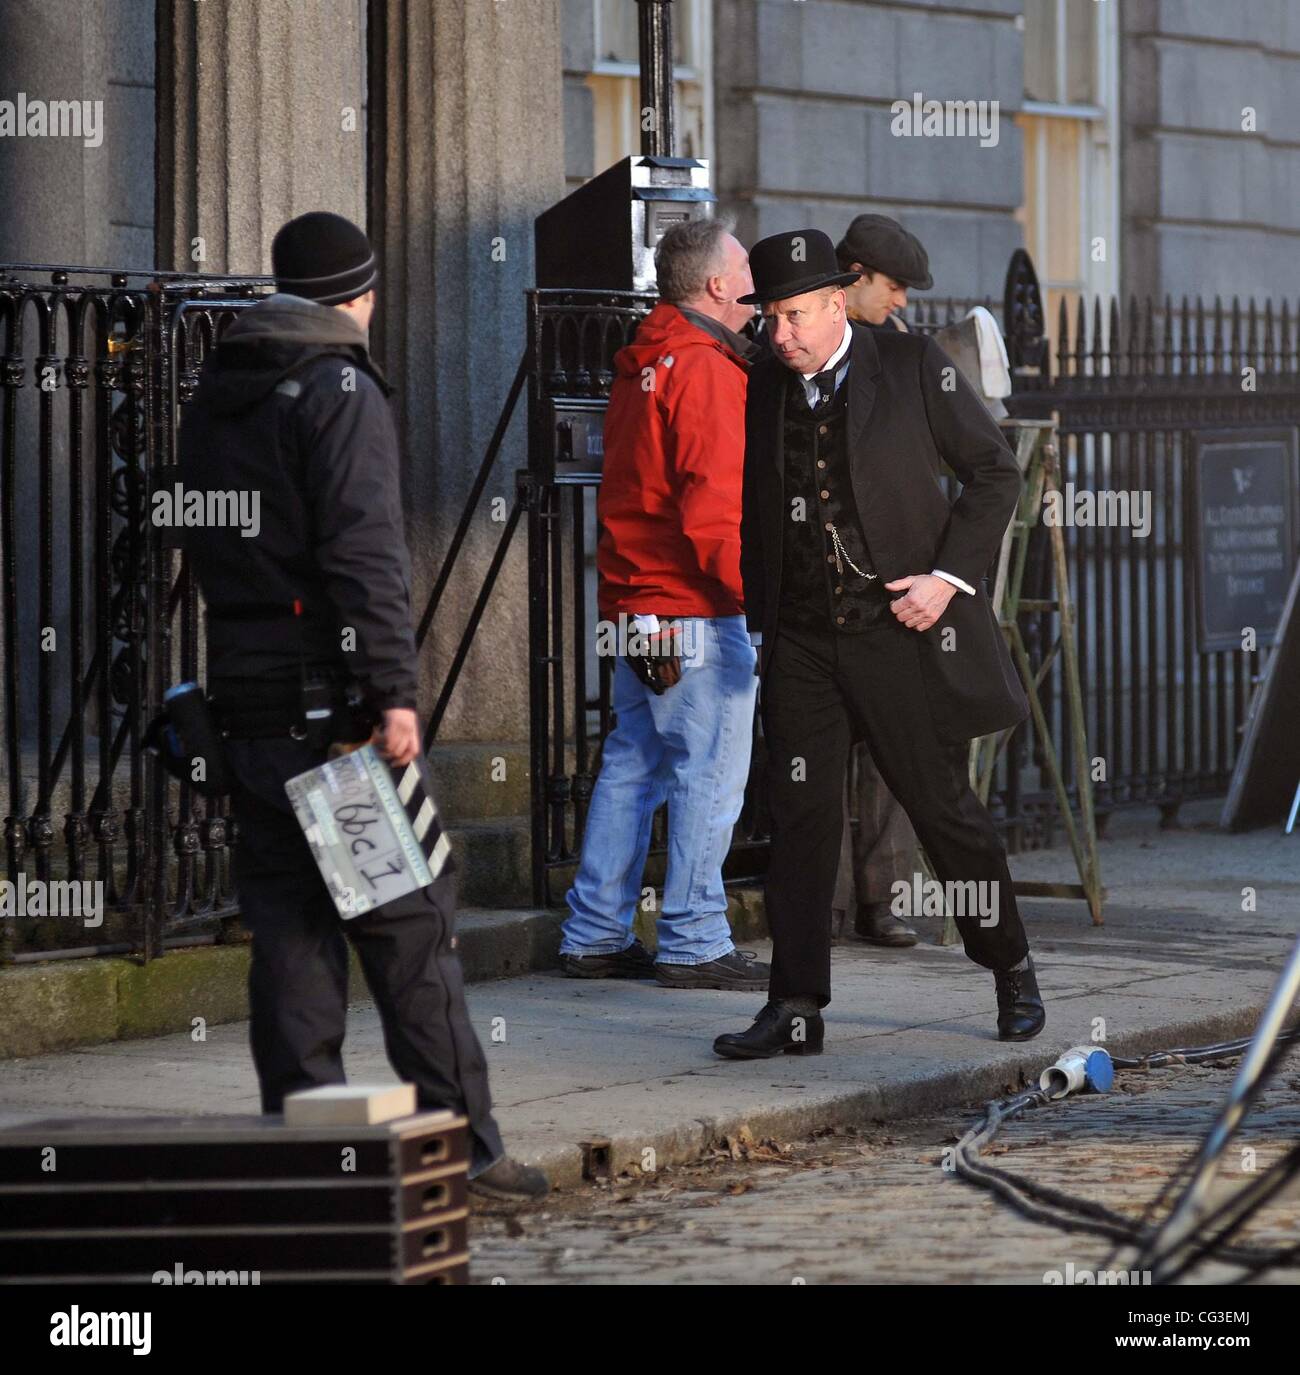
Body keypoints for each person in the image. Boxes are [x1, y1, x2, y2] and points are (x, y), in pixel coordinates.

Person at [179, 210, 546, 1207]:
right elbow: (363, 554)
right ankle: (469, 1148)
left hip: (246, 703)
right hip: (333, 717)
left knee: (291, 934)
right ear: (362, 297)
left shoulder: (219, 389)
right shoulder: (339, 388)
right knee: (408, 931)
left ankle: (301, 1147)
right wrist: (391, 693)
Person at [713, 228, 1045, 1060]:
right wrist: (764, 615)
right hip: (802, 640)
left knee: (940, 808)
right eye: (771, 318)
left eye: (793, 316)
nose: (779, 332)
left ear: (835, 303)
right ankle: (794, 1004)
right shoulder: (765, 382)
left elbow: (995, 470)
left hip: (897, 630)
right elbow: (755, 501)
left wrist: (947, 580)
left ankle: (1010, 966)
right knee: (800, 818)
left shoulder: (911, 367)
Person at [558, 215, 769, 992]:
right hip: (693, 605)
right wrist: (758, 601)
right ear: (717, 284)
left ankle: (594, 930)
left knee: (631, 767)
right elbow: (713, 508)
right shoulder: (706, 368)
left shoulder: (645, 358)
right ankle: (692, 936)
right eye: (745, 268)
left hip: (634, 603)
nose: (756, 282)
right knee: (707, 773)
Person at [828, 213, 936, 949]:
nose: (900, 302)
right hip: (826, 574)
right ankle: (828, 907)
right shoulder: (799, 343)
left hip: (892, 576)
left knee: (895, 745)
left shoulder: (902, 355)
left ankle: (883, 898)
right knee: (822, 751)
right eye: (892, 287)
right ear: (856, 275)